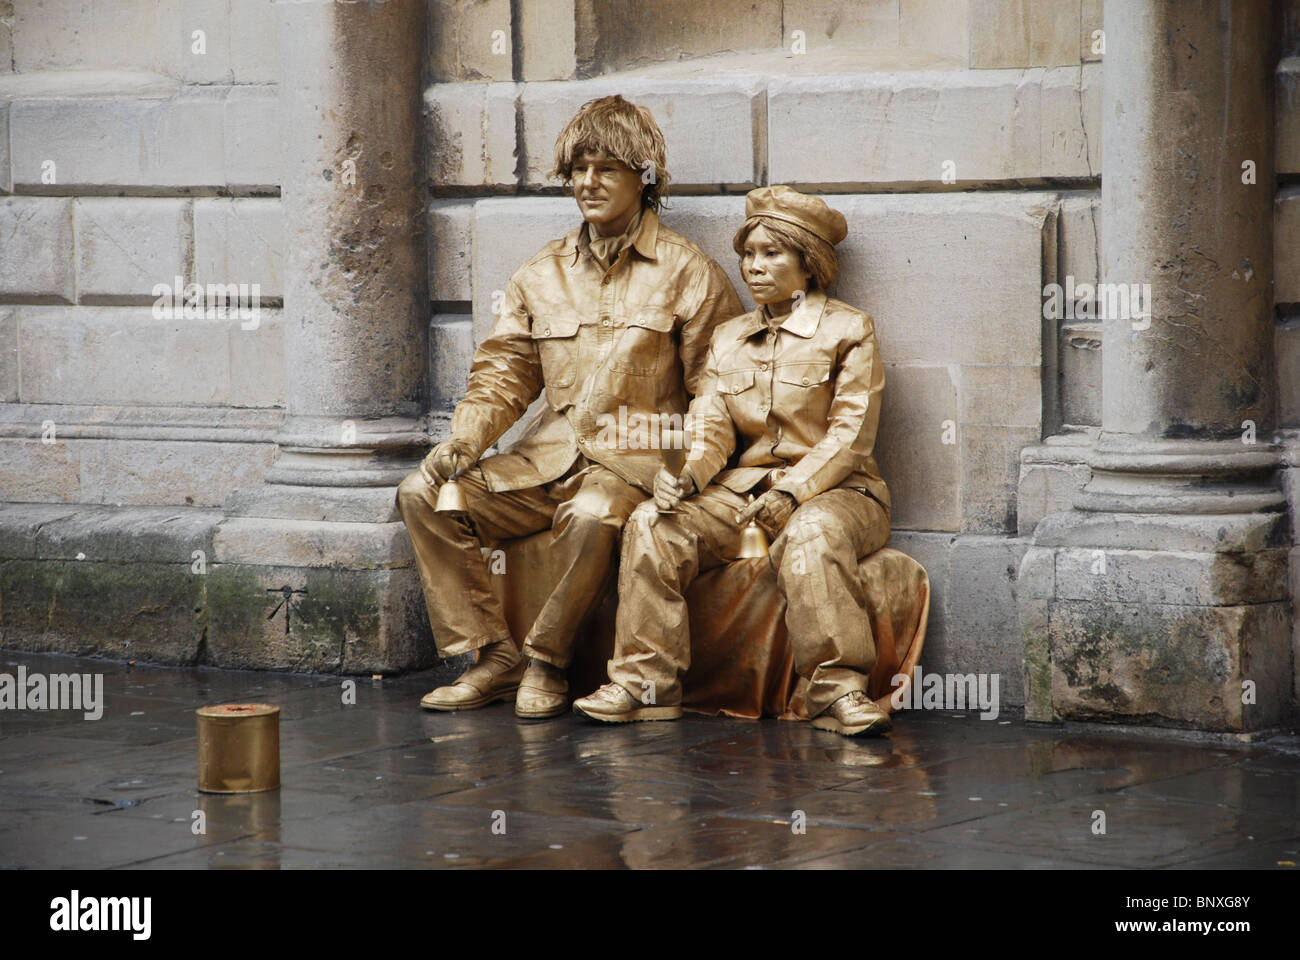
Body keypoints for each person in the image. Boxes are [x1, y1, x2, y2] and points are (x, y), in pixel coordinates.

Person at [396, 95, 742, 720]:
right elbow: (502, 377)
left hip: (633, 465)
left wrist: (692, 471)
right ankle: (492, 657)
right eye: (577, 169)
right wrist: (465, 440)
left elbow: (719, 393)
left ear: (646, 176)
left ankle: (546, 662)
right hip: (543, 459)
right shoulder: (539, 275)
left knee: (592, 513)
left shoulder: (691, 273)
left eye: (606, 168)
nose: (588, 183)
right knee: (421, 491)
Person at [574, 185, 895, 737]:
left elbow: (850, 438)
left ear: (809, 262)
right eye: (748, 254)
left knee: (812, 533)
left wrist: (792, 493)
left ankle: (838, 690)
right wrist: (680, 479)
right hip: (739, 494)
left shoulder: (849, 330)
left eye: (772, 254)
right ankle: (645, 684)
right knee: (654, 521)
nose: (754, 267)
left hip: (839, 494)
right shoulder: (729, 338)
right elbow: (710, 429)